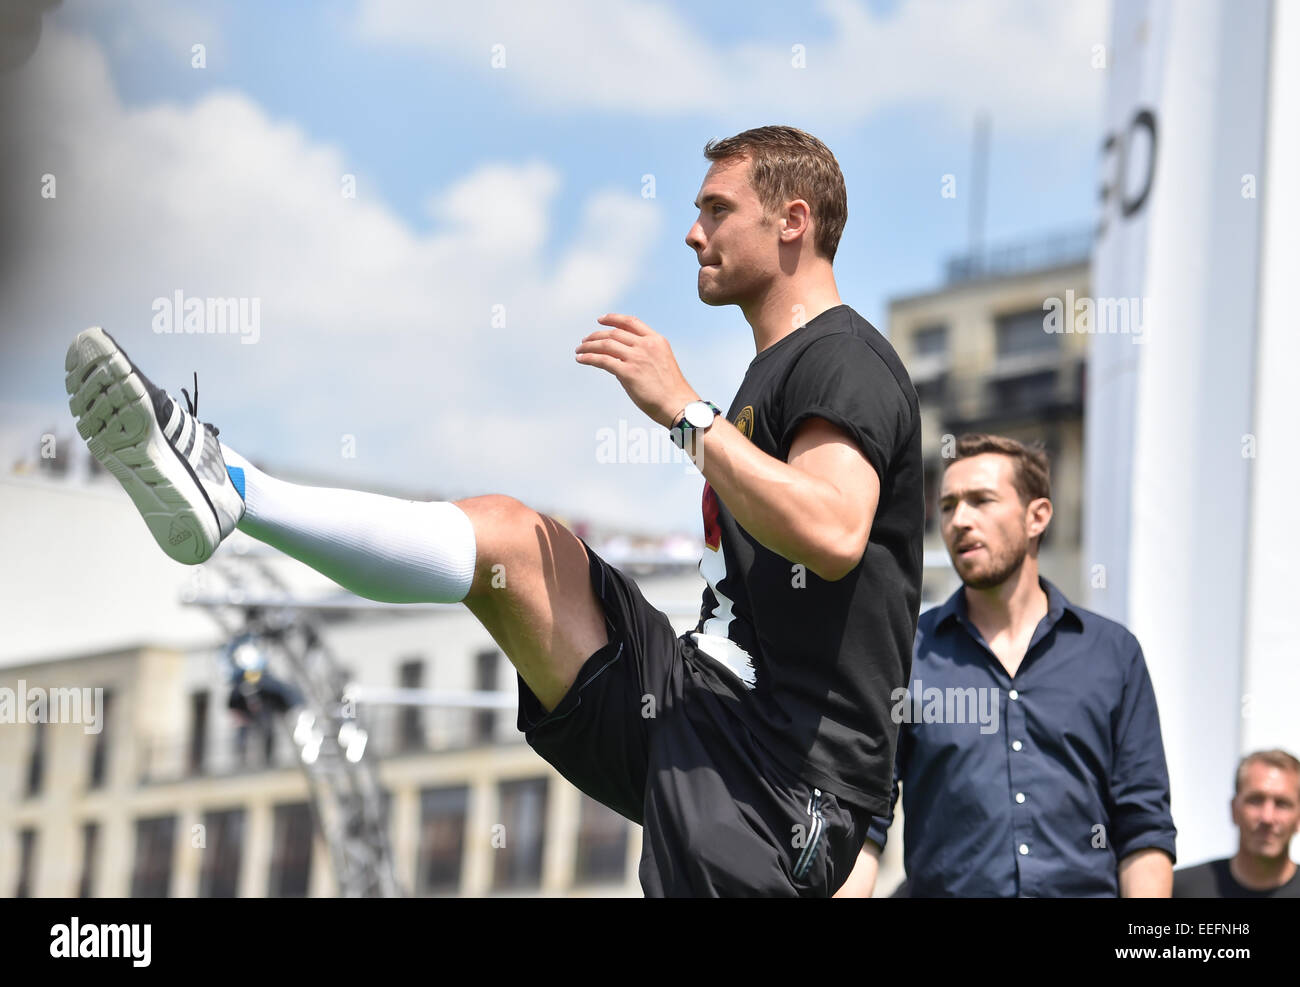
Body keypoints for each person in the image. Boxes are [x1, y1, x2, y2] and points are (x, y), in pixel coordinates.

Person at [65, 125, 924, 897]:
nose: (692, 231)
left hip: (773, 779)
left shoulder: (844, 357)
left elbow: (834, 533)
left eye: (715, 209)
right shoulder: (772, 372)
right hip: (698, 705)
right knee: (512, 539)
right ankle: (235, 487)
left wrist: (681, 410)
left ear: (793, 221)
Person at [835, 433, 1176, 897]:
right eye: (950, 505)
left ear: (1038, 517)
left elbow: (1144, 828)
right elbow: (867, 818)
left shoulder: (1112, 654)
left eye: (981, 501)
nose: (960, 520)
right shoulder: (908, 653)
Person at [1173, 749, 1300, 897]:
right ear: (1234, 809)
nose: (1267, 817)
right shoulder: (1179, 890)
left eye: (1282, 804)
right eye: (1255, 800)